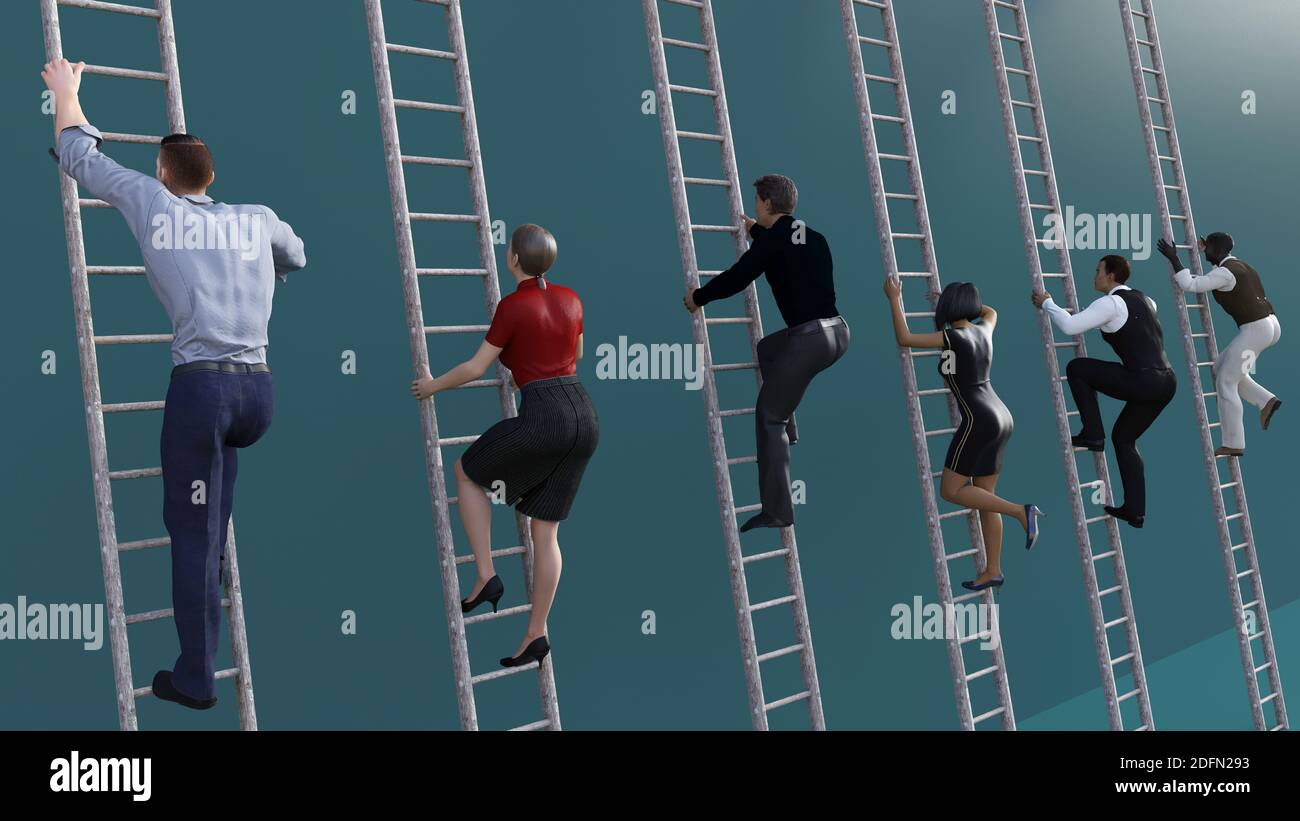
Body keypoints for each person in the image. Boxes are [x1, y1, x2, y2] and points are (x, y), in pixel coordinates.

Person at [42, 59, 307, 710]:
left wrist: (68, 92)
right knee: (208, 517)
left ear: (166, 173)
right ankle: (210, 562)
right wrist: (262, 270)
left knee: (188, 533)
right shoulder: (257, 218)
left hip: (205, 393)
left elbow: (79, 156)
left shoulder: (151, 197)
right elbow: (296, 255)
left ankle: (195, 675)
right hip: (257, 393)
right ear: (211, 177)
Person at [412, 224, 597, 668]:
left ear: (514, 259)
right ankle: (536, 633)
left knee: (467, 473)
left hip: (546, 415)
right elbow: (576, 354)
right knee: (546, 532)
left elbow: (477, 368)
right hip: (584, 416)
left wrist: (432, 386)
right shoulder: (571, 298)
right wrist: (530, 372)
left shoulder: (512, 306)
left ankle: (485, 574)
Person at [684, 174, 849, 532]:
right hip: (837, 332)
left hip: (810, 340)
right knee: (768, 349)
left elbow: (737, 277)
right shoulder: (812, 236)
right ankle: (789, 427)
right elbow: (785, 246)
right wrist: (757, 232)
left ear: (768, 204)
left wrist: (698, 298)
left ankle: (778, 511)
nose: (754, 205)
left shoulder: (772, 243)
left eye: (757, 201)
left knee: (767, 416)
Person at [885, 279, 1042, 591]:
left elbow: (904, 338)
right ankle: (993, 570)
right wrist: (968, 303)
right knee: (986, 500)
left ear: (948, 306)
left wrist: (894, 298)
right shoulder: (985, 328)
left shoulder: (952, 337)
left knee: (951, 490)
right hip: (1001, 415)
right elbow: (991, 310)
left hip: (977, 420)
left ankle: (1020, 511)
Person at [1033, 255, 1176, 529]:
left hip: (1143, 380)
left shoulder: (1110, 303)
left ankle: (1093, 434)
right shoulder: (1146, 300)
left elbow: (1071, 326)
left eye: (1098, 270)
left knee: (1077, 368)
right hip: (1166, 382)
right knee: (1124, 439)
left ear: (1111, 276)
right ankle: (1135, 511)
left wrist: (1047, 303)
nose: (1095, 275)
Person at [1157, 234, 1281, 457]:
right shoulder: (1242, 265)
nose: (1204, 251)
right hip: (1269, 326)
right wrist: (1206, 249)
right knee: (1221, 368)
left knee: (1226, 380)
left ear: (1217, 248)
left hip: (1255, 330)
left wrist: (1174, 258)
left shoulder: (1224, 273)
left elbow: (1191, 284)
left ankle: (1234, 442)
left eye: (1207, 247)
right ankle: (1266, 400)